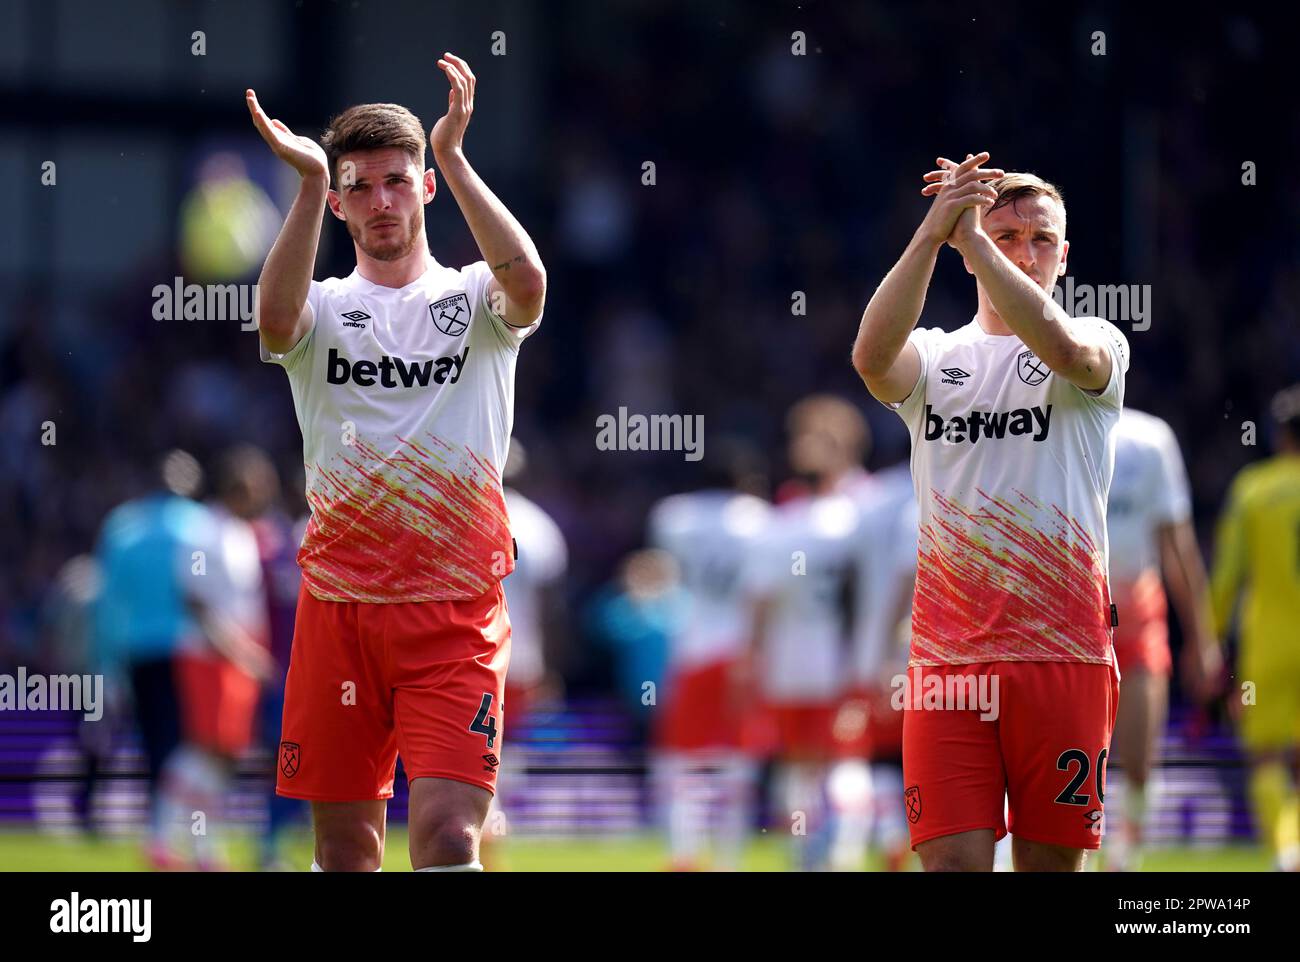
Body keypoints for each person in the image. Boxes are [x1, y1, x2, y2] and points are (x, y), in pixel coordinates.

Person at [247, 51, 546, 872]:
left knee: (450, 839)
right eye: (359, 185)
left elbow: (530, 284)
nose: (380, 200)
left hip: (454, 613)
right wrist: (304, 185)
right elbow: (272, 322)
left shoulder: (474, 300)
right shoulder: (323, 310)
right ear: (340, 201)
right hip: (338, 612)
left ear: (422, 188)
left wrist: (453, 152)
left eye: (397, 180)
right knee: (347, 852)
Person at [852, 153, 1129, 871]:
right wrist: (931, 235)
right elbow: (871, 358)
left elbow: (1064, 350)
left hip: (1062, 655)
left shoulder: (1101, 339)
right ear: (972, 251)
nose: (1025, 252)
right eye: (1005, 236)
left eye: (1040, 240)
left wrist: (972, 238)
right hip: (948, 661)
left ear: (1064, 256)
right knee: (951, 867)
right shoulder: (938, 355)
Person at [742, 395, 865, 871]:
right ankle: (842, 855)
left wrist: (750, 658)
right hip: (844, 657)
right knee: (843, 760)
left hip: (791, 660)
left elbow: (760, 598)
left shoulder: (779, 523)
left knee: (802, 762)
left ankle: (806, 855)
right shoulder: (862, 516)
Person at [1101, 408, 1220, 870]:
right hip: (1067, 613)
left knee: (1140, 756)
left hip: (1137, 614)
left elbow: (1178, 545)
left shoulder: (1151, 440)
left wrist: (1202, 640)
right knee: (1066, 750)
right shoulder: (1050, 422)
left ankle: (1124, 857)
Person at [647, 441, 771, 871]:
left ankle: (684, 853)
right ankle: (727, 860)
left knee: (683, 761)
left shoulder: (673, 515)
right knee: (736, 762)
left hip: (690, 644)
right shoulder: (760, 520)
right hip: (741, 649)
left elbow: (663, 569)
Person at [1210, 384, 1300, 871]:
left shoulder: (1254, 489)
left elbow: (1227, 576)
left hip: (1270, 645)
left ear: (1281, 435)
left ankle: (1287, 854)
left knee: (1267, 759)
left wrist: (1209, 639)